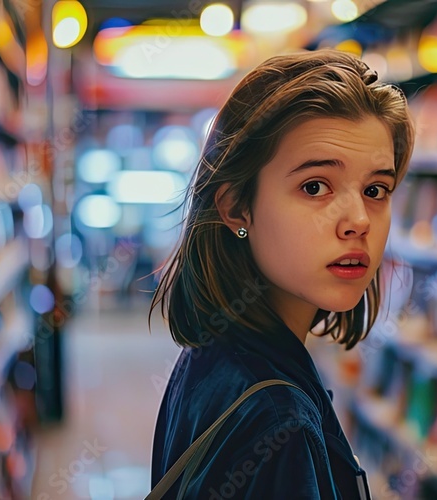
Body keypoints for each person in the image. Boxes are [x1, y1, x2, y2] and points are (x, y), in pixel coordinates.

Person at [149, 50, 414, 499]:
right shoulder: (279, 424)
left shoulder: (212, 351)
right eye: (315, 186)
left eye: (375, 190)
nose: (359, 220)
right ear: (235, 206)